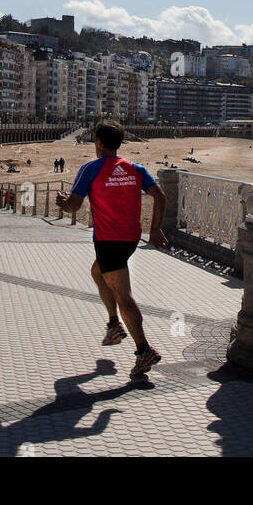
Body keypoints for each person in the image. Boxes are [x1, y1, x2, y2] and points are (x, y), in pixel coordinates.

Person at [58, 120, 169, 379]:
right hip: (130, 238)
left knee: (124, 295)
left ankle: (144, 349)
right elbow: (160, 195)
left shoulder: (91, 169)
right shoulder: (135, 168)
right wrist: (154, 229)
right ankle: (113, 324)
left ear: (98, 142)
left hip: (109, 240)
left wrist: (63, 203)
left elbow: (73, 207)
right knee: (98, 273)